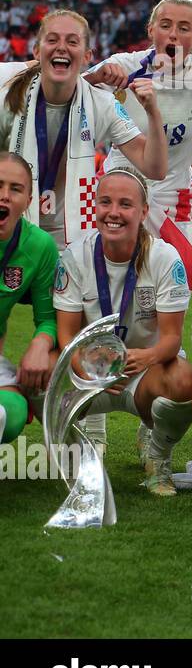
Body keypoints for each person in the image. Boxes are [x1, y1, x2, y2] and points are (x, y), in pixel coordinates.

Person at [53, 168, 192, 491]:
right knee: (45, 372)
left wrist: (146, 357)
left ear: (144, 211)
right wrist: (89, 369)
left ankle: (158, 456)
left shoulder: (164, 258)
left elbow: (172, 338)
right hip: (91, 372)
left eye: (125, 204)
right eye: (105, 202)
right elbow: (66, 337)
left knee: (184, 380)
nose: (113, 212)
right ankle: (79, 455)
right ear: (95, 206)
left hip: (144, 371)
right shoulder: (75, 256)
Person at [84, 0, 192, 284]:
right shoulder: (123, 65)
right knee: (100, 279)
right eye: (165, 25)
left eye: (184, 28)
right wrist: (96, 77)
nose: (173, 34)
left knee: (180, 279)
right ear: (151, 30)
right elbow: (68, 92)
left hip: (173, 192)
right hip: (118, 184)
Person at [0, 9, 167, 250]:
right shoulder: (7, 94)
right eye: (52, 40)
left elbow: (155, 168)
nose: (61, 47)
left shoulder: (102, 104)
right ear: (36, 51)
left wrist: (153, 113)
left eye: (72, 42)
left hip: (71, 237)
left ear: (88, 55)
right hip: (10, 226)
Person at [0, 152, 59, 449]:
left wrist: (40, 343)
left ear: (29, 201)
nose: (4, 195)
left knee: (11, 414)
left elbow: (48, 318)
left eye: (15, 189)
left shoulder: (39, 246)